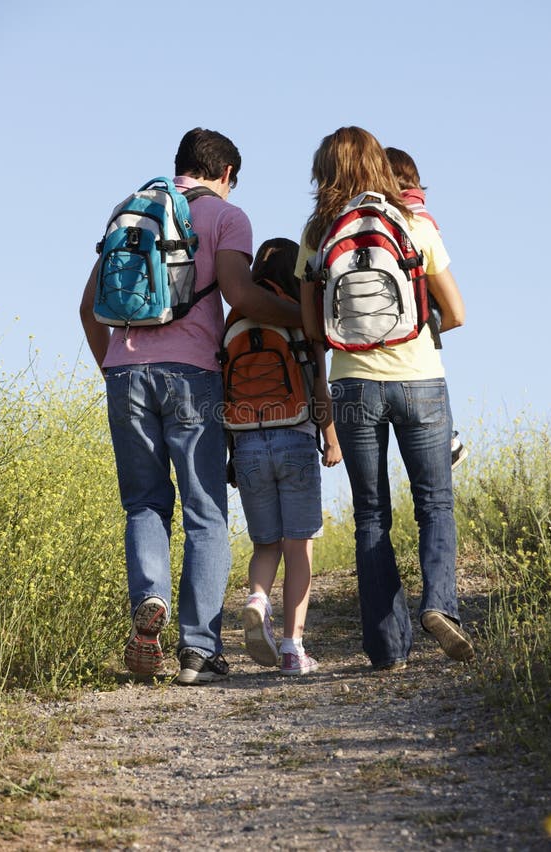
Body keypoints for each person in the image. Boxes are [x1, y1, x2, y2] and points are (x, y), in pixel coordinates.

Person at [80, 128, 302, 686]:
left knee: (144, 505)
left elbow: (88, 308)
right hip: (193, 376)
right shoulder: (227, 217)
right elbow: (242, 295)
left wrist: (115, 366)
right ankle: (198, 651)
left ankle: (149, 602)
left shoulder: (130, 212)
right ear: (226, 174)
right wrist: (307, 322)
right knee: (206, 511)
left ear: (180, 166)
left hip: (124, 373)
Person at [296, 126, 474, 670]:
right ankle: (440, 606)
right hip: (419, 377)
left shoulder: (318, 232)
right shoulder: (414, 224)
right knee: (435, 504)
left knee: (372, 515)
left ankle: (386, 648)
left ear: (325, 170)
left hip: (352, 384)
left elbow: (311, 331)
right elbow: (459, 312)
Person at [229, 238, 342, 676]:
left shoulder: (234, 319)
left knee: (265, 544)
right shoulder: (300, 323)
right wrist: (330, 439)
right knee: (300, 547)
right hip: (295, 440)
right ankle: (293, 647)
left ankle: (258, 598)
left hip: (247, 445)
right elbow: (319, 389)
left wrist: (230, 457)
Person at [384, 146, 468, 470]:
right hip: (423, 307)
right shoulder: (422, 213)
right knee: (431, 364)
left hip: (408, 307)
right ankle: (447, 438)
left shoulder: (406, 218)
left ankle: (448, 438)